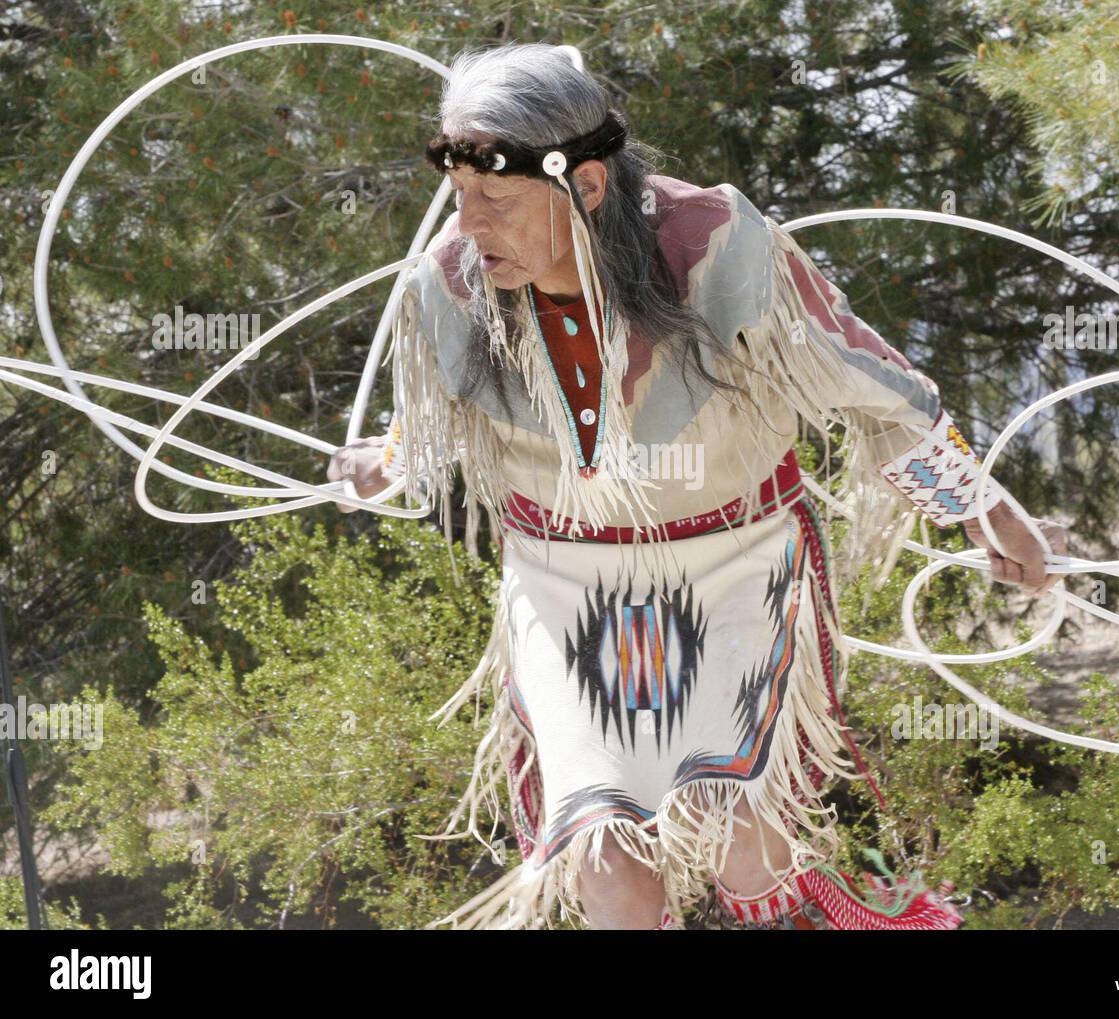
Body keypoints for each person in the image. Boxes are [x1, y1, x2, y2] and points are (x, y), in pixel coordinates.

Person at [327, 42, 1068, 930]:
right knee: (604, 858)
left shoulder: (713, 243)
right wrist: (391, 462)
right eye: (460, 195)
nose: (468, 223)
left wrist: (989, 512)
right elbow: (441, 411)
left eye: (496, 200)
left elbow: (872, 386)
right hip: (567, 588)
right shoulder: (453, 278)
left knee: (746, 838)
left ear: (588, 185)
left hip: (737, 562)